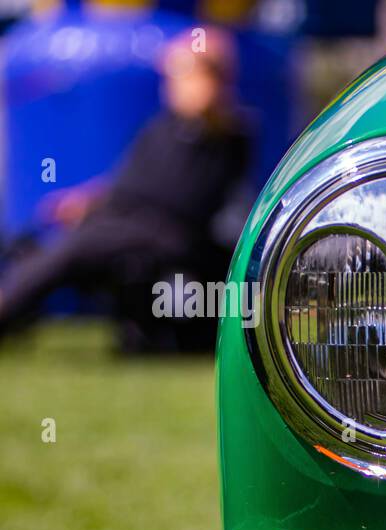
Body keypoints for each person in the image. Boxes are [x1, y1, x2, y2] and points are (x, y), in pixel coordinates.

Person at [0, 27, 252, 349]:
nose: (172, 85)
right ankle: (14, 314)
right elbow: (130, 180)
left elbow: (177, 196)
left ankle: (5, 305)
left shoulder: (225, 134)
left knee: (77, 249)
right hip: (121, 222)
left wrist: (211, 86)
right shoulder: (161, 128)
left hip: (162, 234)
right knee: (37, 242)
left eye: (183, 74)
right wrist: (86, 201)